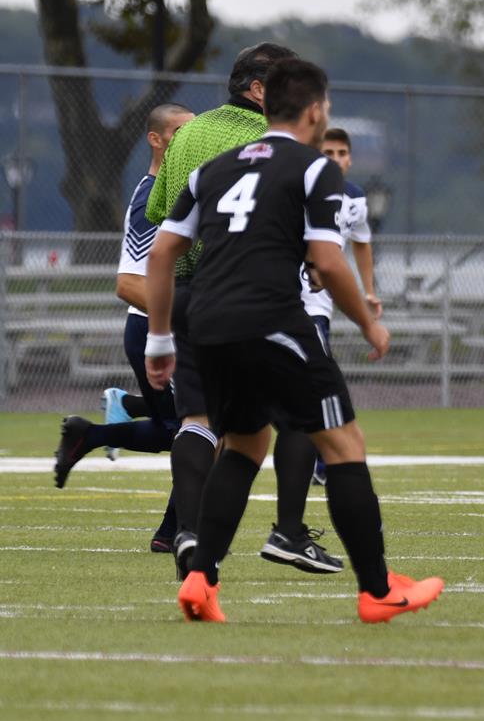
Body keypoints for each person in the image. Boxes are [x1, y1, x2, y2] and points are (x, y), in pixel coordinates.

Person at [144, 57, 443, 623]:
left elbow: (161, 254)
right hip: (274, 322)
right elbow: (328, 264)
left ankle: (201, 580)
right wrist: (370, 323)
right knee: (344, 445)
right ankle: (378, 590)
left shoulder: (216, 168)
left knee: (246, 445)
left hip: (206, 325)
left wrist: (161, 338)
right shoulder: (313, 169)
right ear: (314, 110)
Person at [142, 41, 346, 578]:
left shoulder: (188, 133)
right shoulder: (273, 140)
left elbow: (160, 212)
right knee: (304, 408)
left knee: (198, 421)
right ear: (258, 90)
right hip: (252, 294)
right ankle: (291, 530)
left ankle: (188, 534)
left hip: (188, 296)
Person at [52, 104, 195, 554]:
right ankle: (174, 532)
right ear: (156, 139)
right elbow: (128, 285)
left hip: (175, 333)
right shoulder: (150, 197)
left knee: (187, 429)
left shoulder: (184, 190)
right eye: (180, 133)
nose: (189, 142)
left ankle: (91, 435)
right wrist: (189, 315)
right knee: (200, 430)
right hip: (154, 334)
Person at [265, 126, 383, 571]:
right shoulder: (305, 181)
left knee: (260, 422)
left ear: (350, 158)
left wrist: (368, 291)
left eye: (342, 151)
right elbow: (312, 250)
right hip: (288, 304)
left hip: (305, 307)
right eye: (328, 149)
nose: (335, 157)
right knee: (310, 403)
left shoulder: (351, 196)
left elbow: (361, 245)